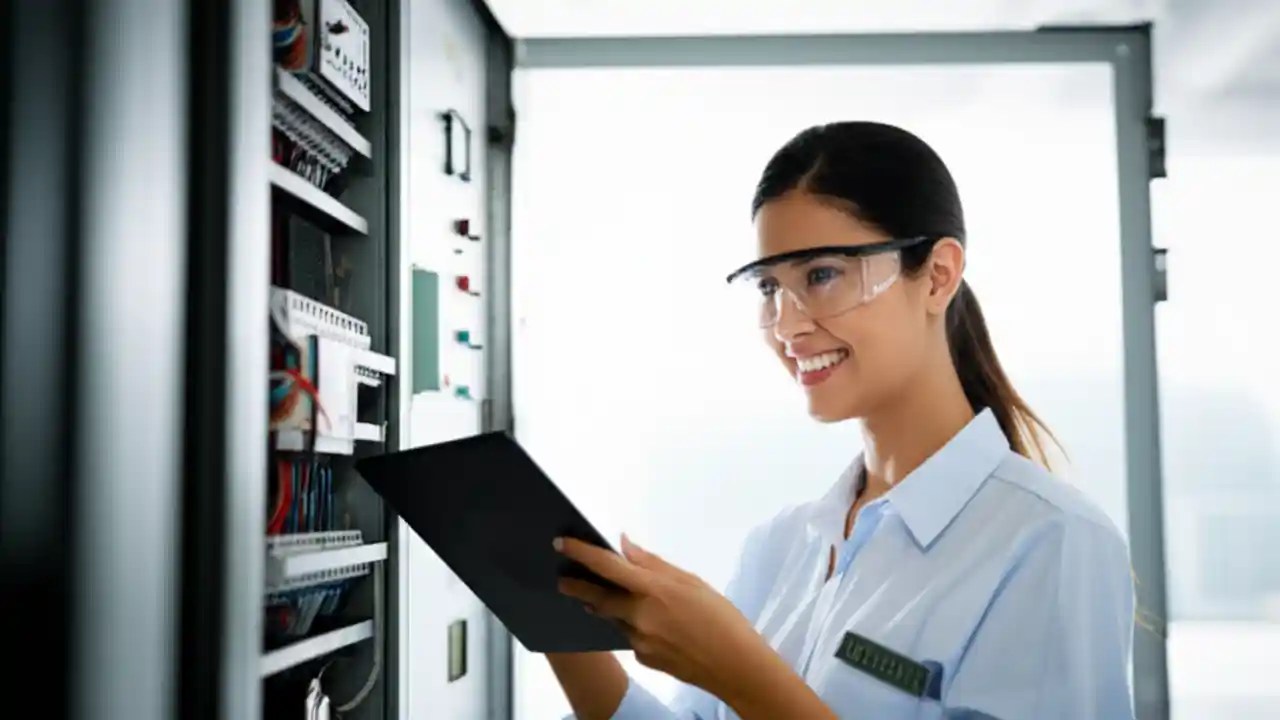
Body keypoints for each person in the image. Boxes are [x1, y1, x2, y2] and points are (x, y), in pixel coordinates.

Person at [547, 121, 1136, 720]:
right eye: (769, 287)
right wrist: (557, 615)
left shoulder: (1052, 542)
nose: (786, 325)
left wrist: (739, 672)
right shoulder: (778, 548)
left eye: (821, 276)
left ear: (937, 276)